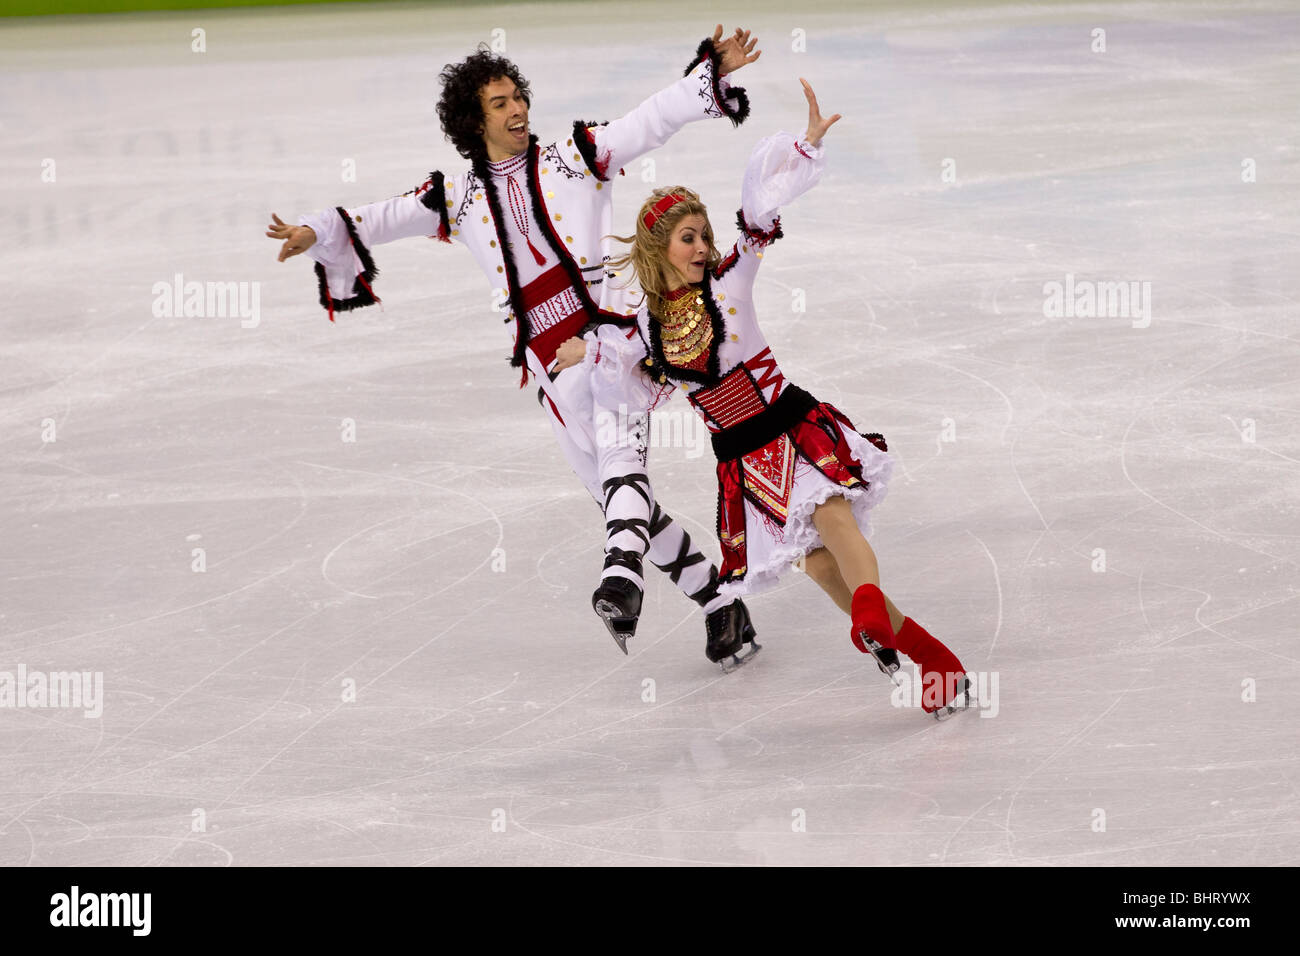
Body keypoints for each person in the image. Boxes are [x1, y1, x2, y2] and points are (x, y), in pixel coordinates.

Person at [265, 29, 766, 667]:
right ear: (475, 121)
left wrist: (708, 77)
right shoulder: (459, 197)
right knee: (615, 492)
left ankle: (622, 580)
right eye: (499, 103)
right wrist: (317, 230)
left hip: (608, 343)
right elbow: (384, 217)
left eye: (517, 96)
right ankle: (720, 604)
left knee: (620, 464)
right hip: (549, 370)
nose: (516, 109)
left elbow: (650, 120)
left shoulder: (575, 156)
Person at [577, 79, 971, 715]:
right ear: (659, 248)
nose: (703, 246)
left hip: (786, 421)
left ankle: (871, 614)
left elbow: (759, 214)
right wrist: (587, 351)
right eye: (688, 238)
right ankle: (927, 658)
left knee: (834, 518)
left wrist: (803, 145)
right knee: (817, 567)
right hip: (738, 455)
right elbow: (630, 386)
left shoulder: (732, 279)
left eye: (704, 234)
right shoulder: (645, 332)